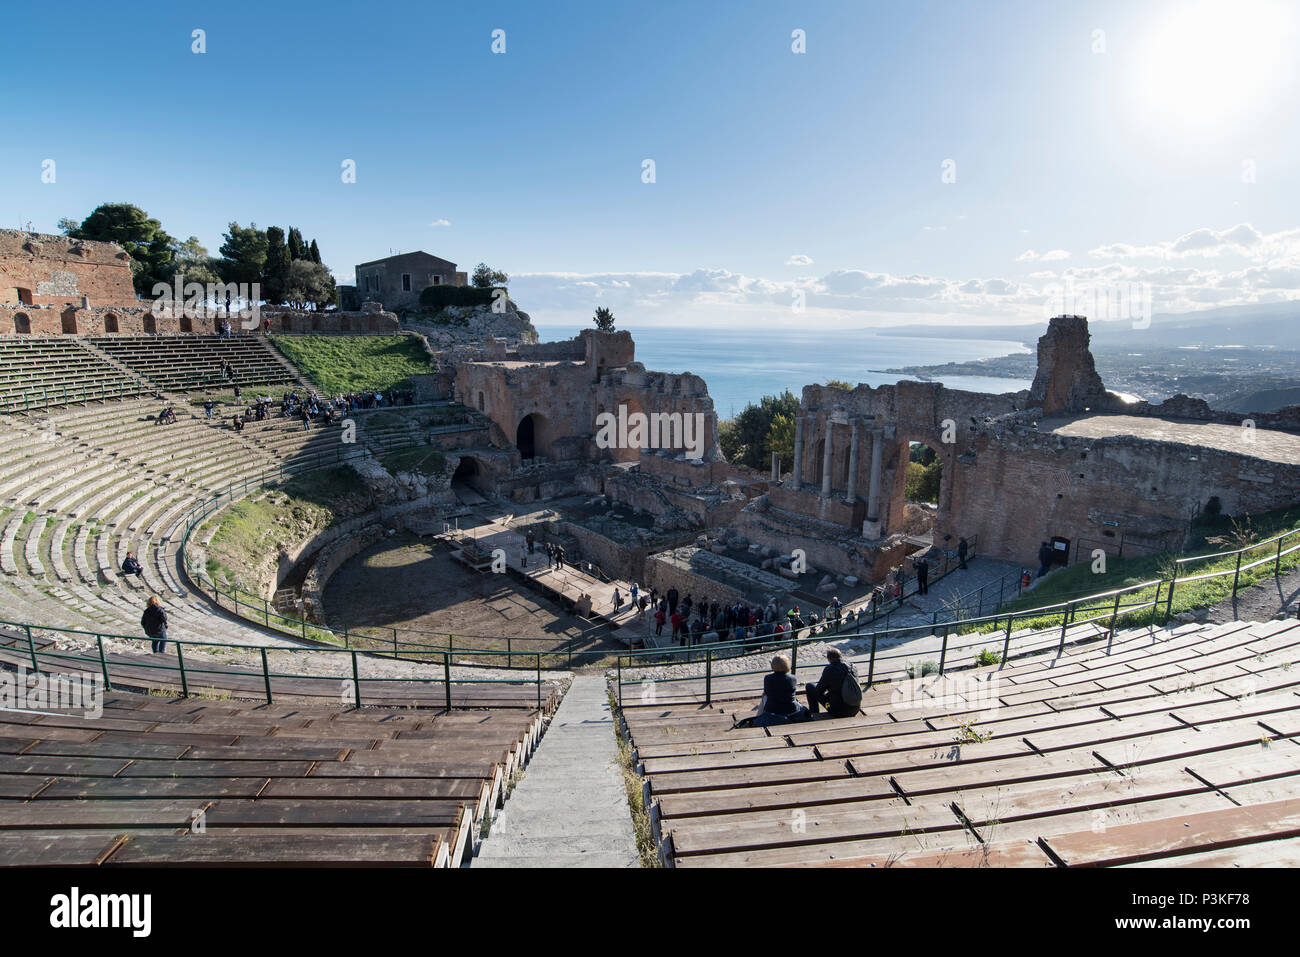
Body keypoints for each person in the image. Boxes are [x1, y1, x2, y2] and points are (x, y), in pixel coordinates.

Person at [740, 656, 809, 728]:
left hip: (772, 709)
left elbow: (766, 693)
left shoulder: (768, 678)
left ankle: (758, 717)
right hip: (791, 709)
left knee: (764, 696)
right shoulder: (792, 678)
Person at [805, 648, 859, 719]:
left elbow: (818, 691)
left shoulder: (829, 669)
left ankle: (814, 712)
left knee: (810, 687)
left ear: (829, 659)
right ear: (841, 656)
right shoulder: (853, 667)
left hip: (835, 711)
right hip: (855, 709)